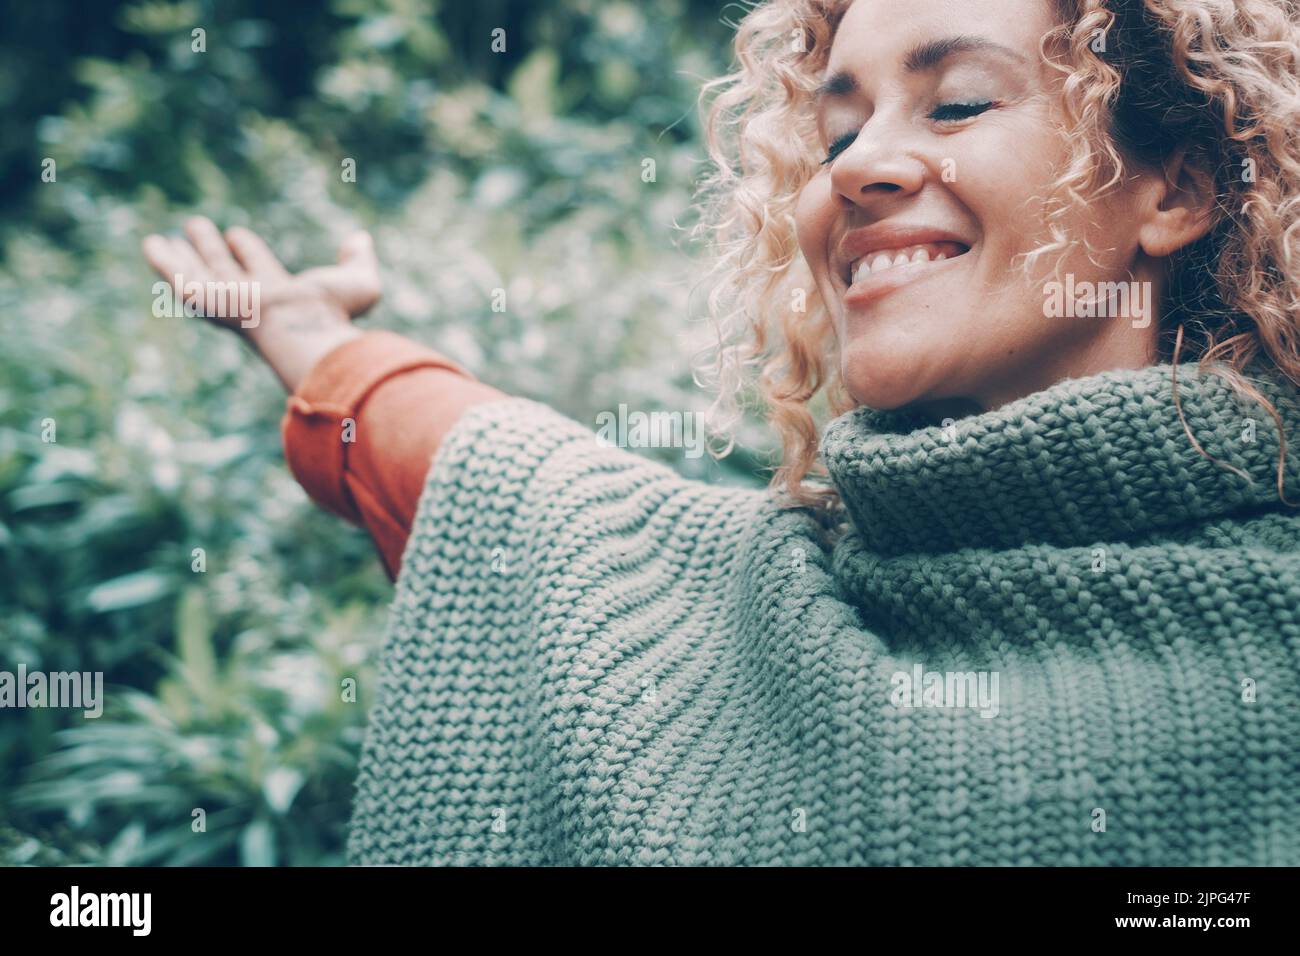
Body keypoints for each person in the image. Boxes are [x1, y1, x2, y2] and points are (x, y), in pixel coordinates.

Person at [143, 0, 1300, 865]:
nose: (855, 173)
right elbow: (481, 465)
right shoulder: (693, 582)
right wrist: (303, 333)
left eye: (954, 102)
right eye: (836, 132)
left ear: (1174, 191)